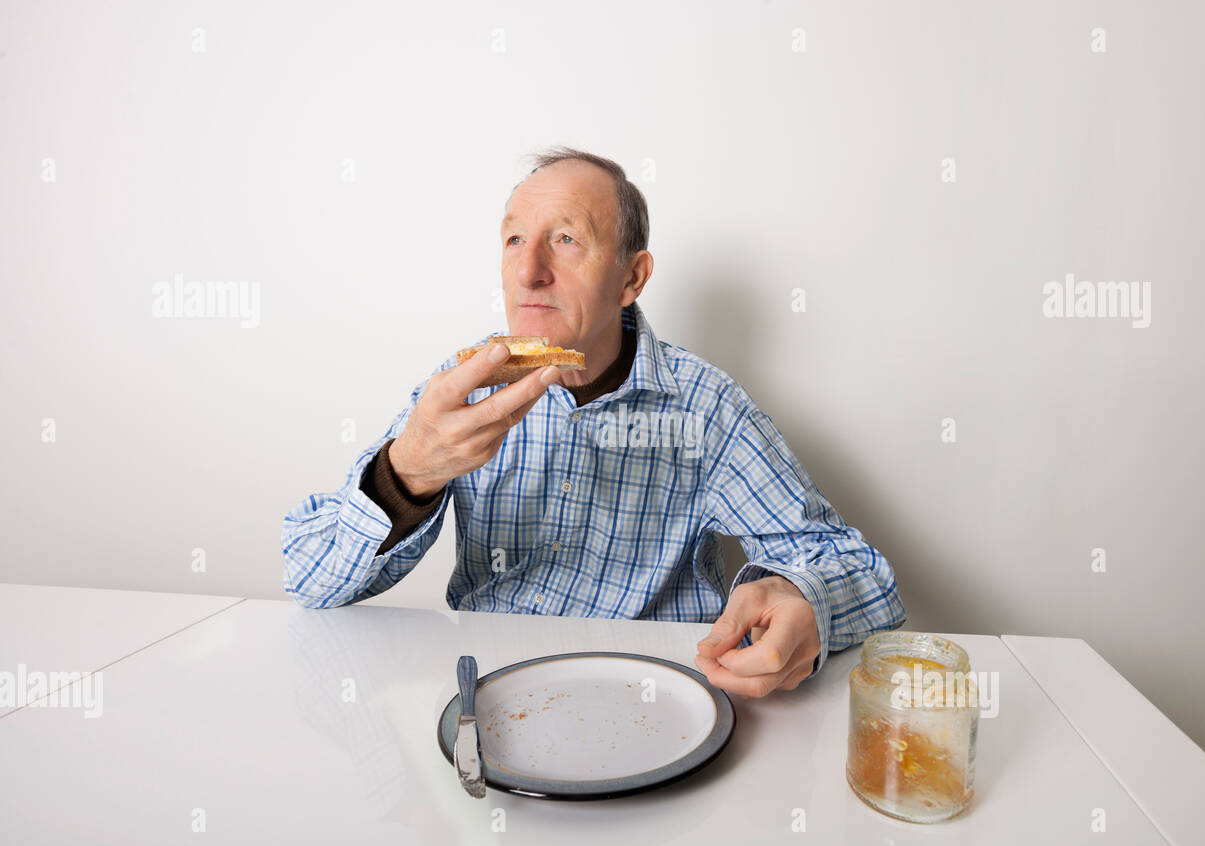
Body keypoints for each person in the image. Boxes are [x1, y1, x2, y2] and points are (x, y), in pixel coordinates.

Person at [281, 147, 906, 698]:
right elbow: (307, 577)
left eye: (567, 240)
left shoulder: (706, 409)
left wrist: (805, 602)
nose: (529, 273)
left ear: (631, 277)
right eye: (515, 240)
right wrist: (407, 471)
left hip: (654, 699)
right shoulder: (457, 390)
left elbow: (863, 573)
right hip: (485, 700)